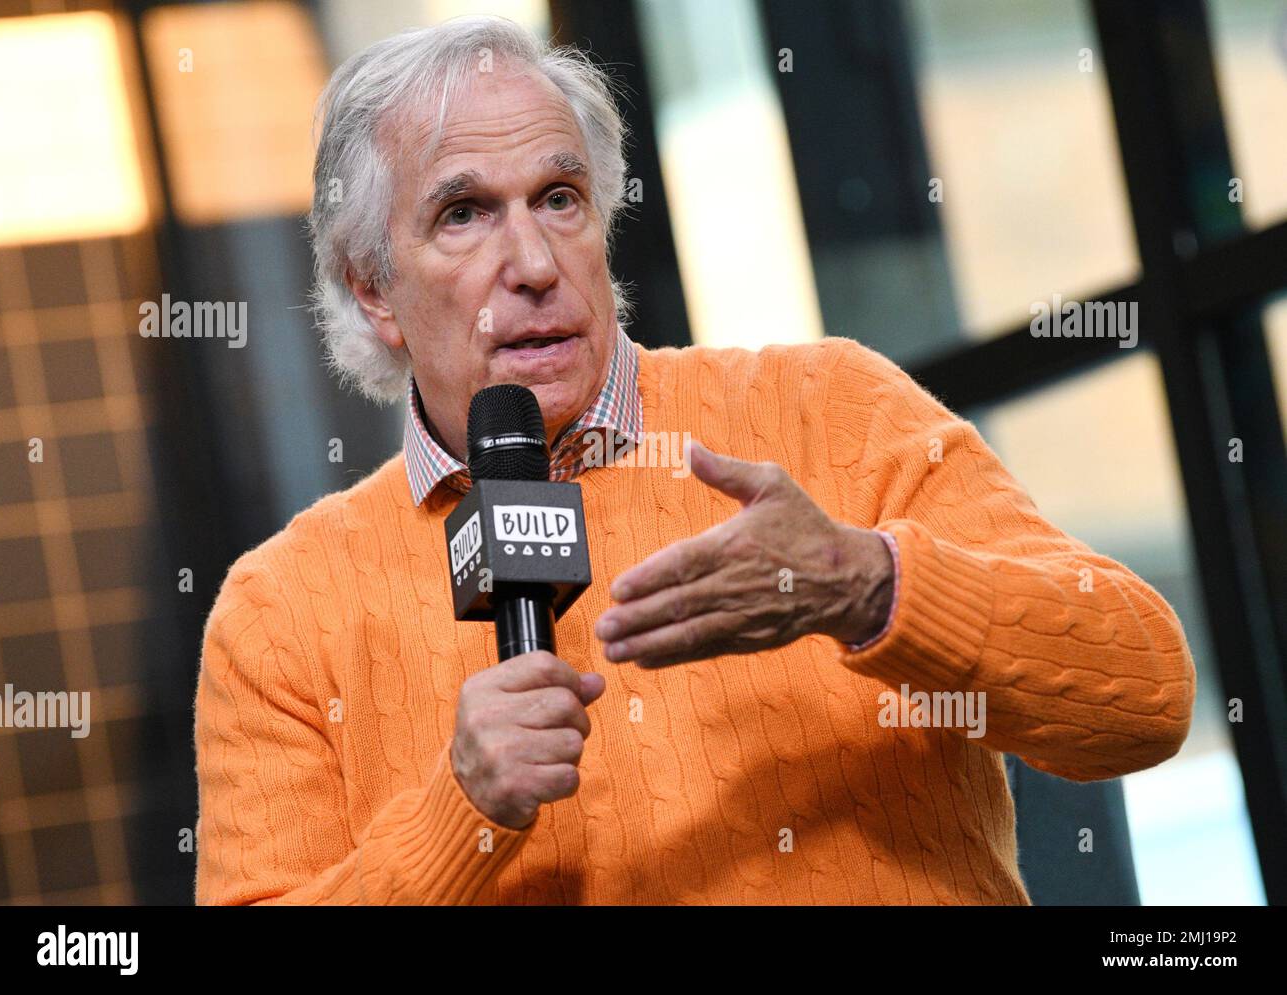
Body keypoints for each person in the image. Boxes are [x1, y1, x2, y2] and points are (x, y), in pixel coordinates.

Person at [193, 15, 1195, 905]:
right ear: (372, 288)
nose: (536, 263)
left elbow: (1146, 697)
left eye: (558, 197)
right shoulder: (281, 612)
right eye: (464, 214)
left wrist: (868, 584)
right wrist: (460, 813)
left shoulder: (826, 406)